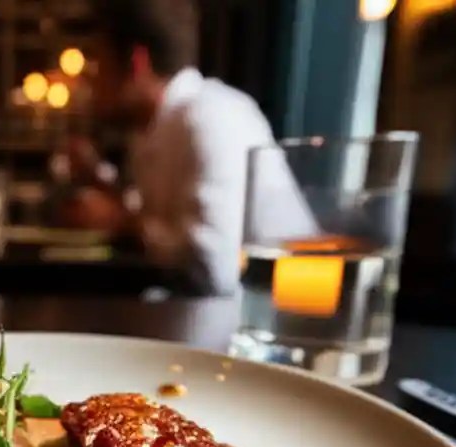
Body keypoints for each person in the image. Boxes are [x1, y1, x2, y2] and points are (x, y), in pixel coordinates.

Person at [84, 0, 316, 295]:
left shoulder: (211, 117)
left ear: (136, 63)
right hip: (232, 317)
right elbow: (165, 226)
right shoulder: (151, 130)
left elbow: (214, 267)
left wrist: (122, 222)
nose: (91, 81)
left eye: (98, 64)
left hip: (287, 319)